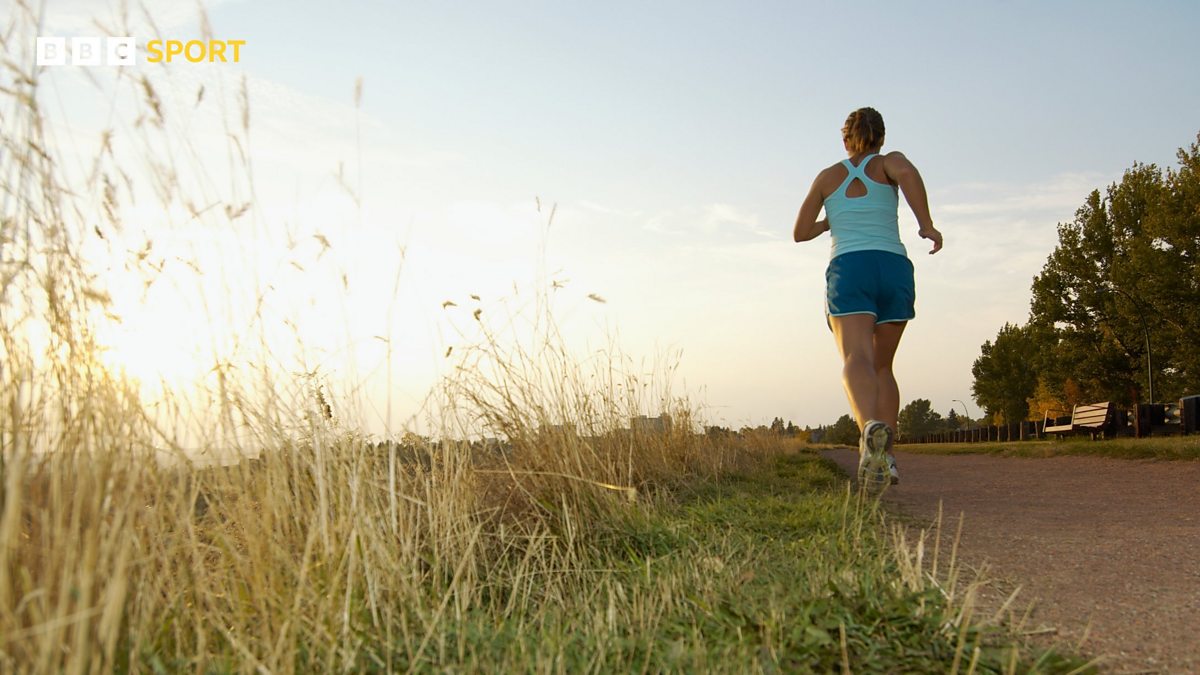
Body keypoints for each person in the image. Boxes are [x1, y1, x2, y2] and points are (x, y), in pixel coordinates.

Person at [792, 107, 942, 488]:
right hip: (892, 266)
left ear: (845, 140)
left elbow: (800, 231)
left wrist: (834, 218)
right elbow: (907, 173)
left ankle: (868, 428)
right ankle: (887, 457)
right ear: (882, 138)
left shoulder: (829, 177)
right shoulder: (891, 163)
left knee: (856, 357)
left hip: (850, 268)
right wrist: (925, 224)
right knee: (882, 366)